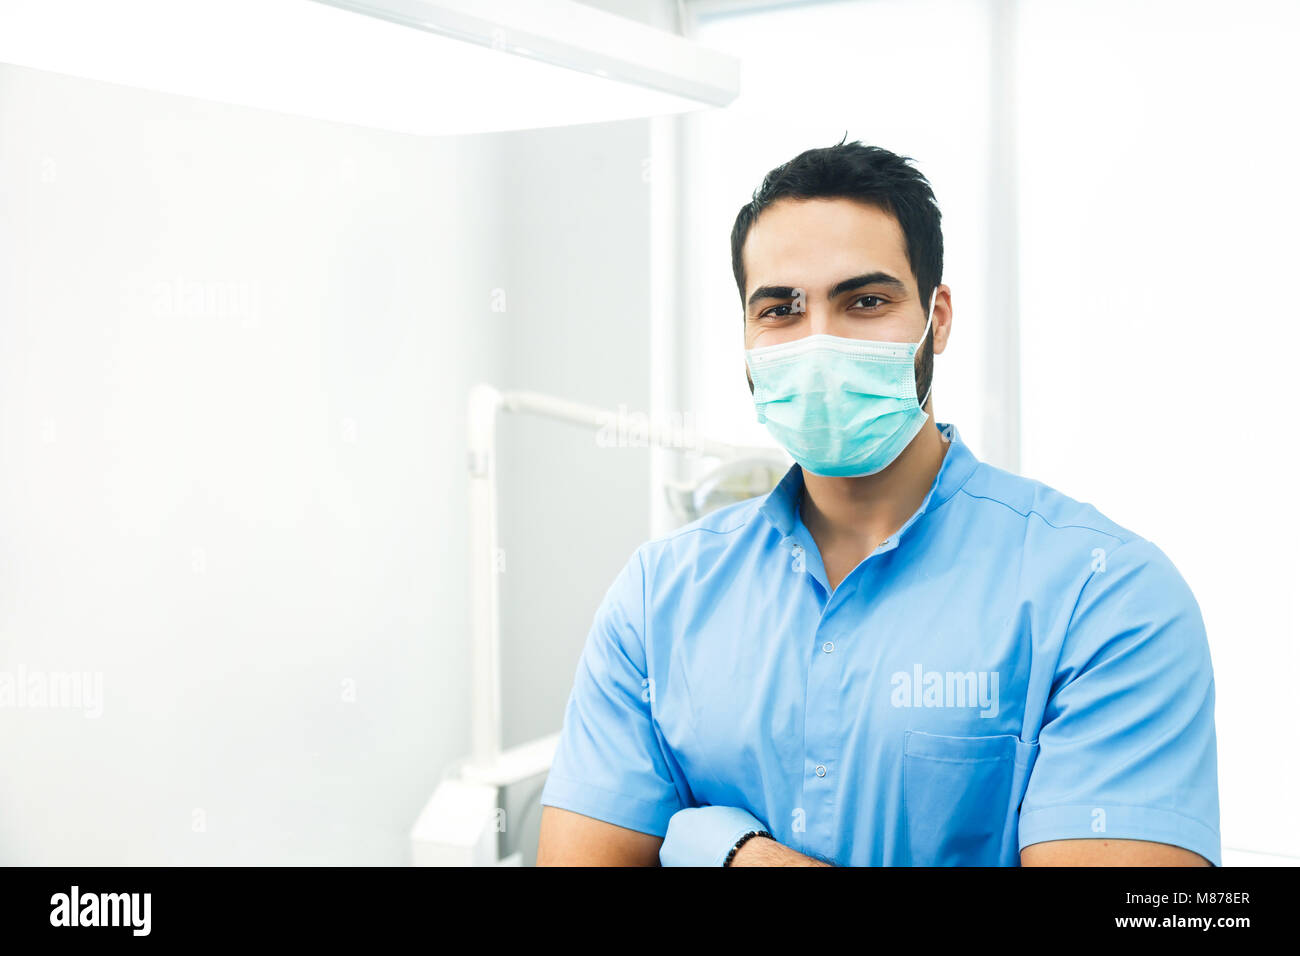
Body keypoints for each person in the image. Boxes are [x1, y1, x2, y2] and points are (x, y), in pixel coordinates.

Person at [536, 138, 1219, 867]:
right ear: (744, 337)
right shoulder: (658, 595)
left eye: (865, 301)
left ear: (939, 317)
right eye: (779, 309)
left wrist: (719, 846)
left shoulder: (1104, 593)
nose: (819, 341)